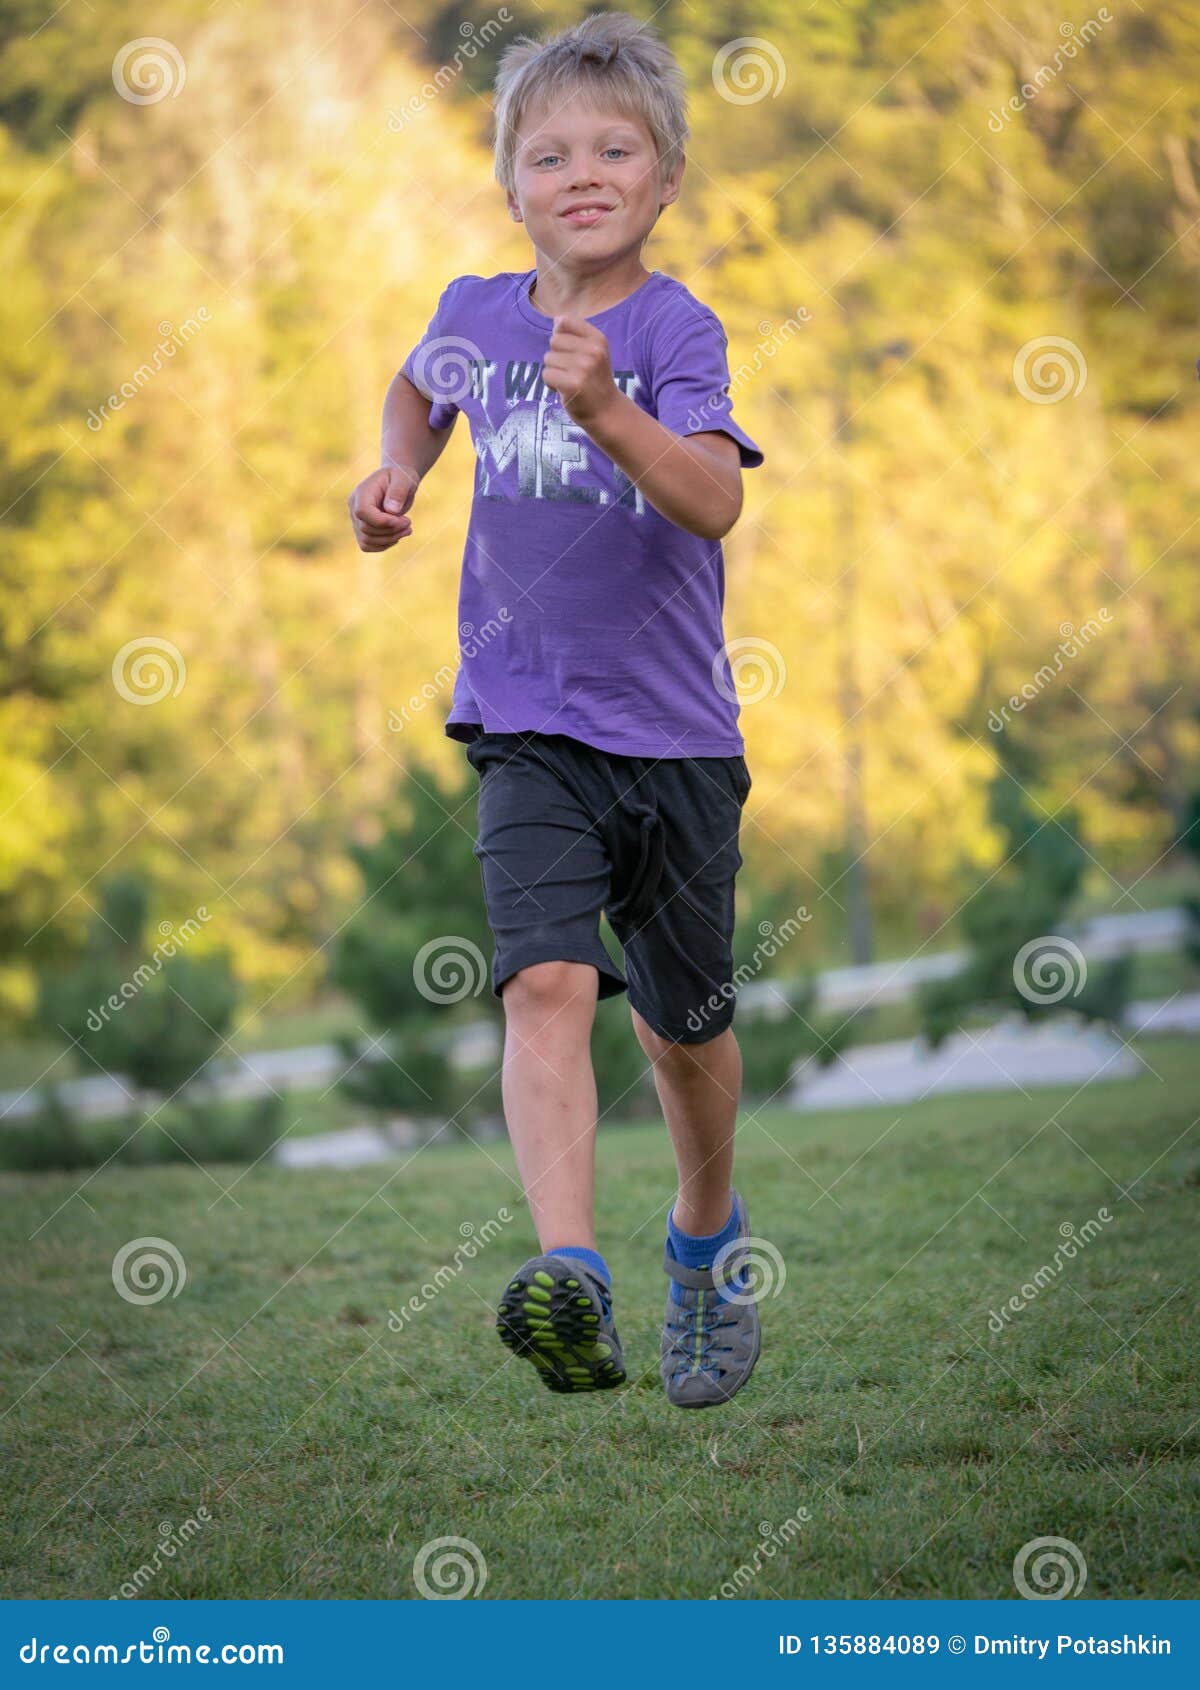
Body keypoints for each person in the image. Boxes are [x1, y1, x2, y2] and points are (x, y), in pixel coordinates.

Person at [348, 10, 768, 1409]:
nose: (580, 172)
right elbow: (419, 386)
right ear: (511, 183)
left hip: (680, 744)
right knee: (544, 982)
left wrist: (612, 417)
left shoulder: (670, 326)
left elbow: (715, 497)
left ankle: (703, 1246)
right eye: (548, 154)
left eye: (613, 148)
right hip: (527, 724)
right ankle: (571, 1274)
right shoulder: (475, 313)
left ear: (662, 178)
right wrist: (395, 474)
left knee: (684, 1034)